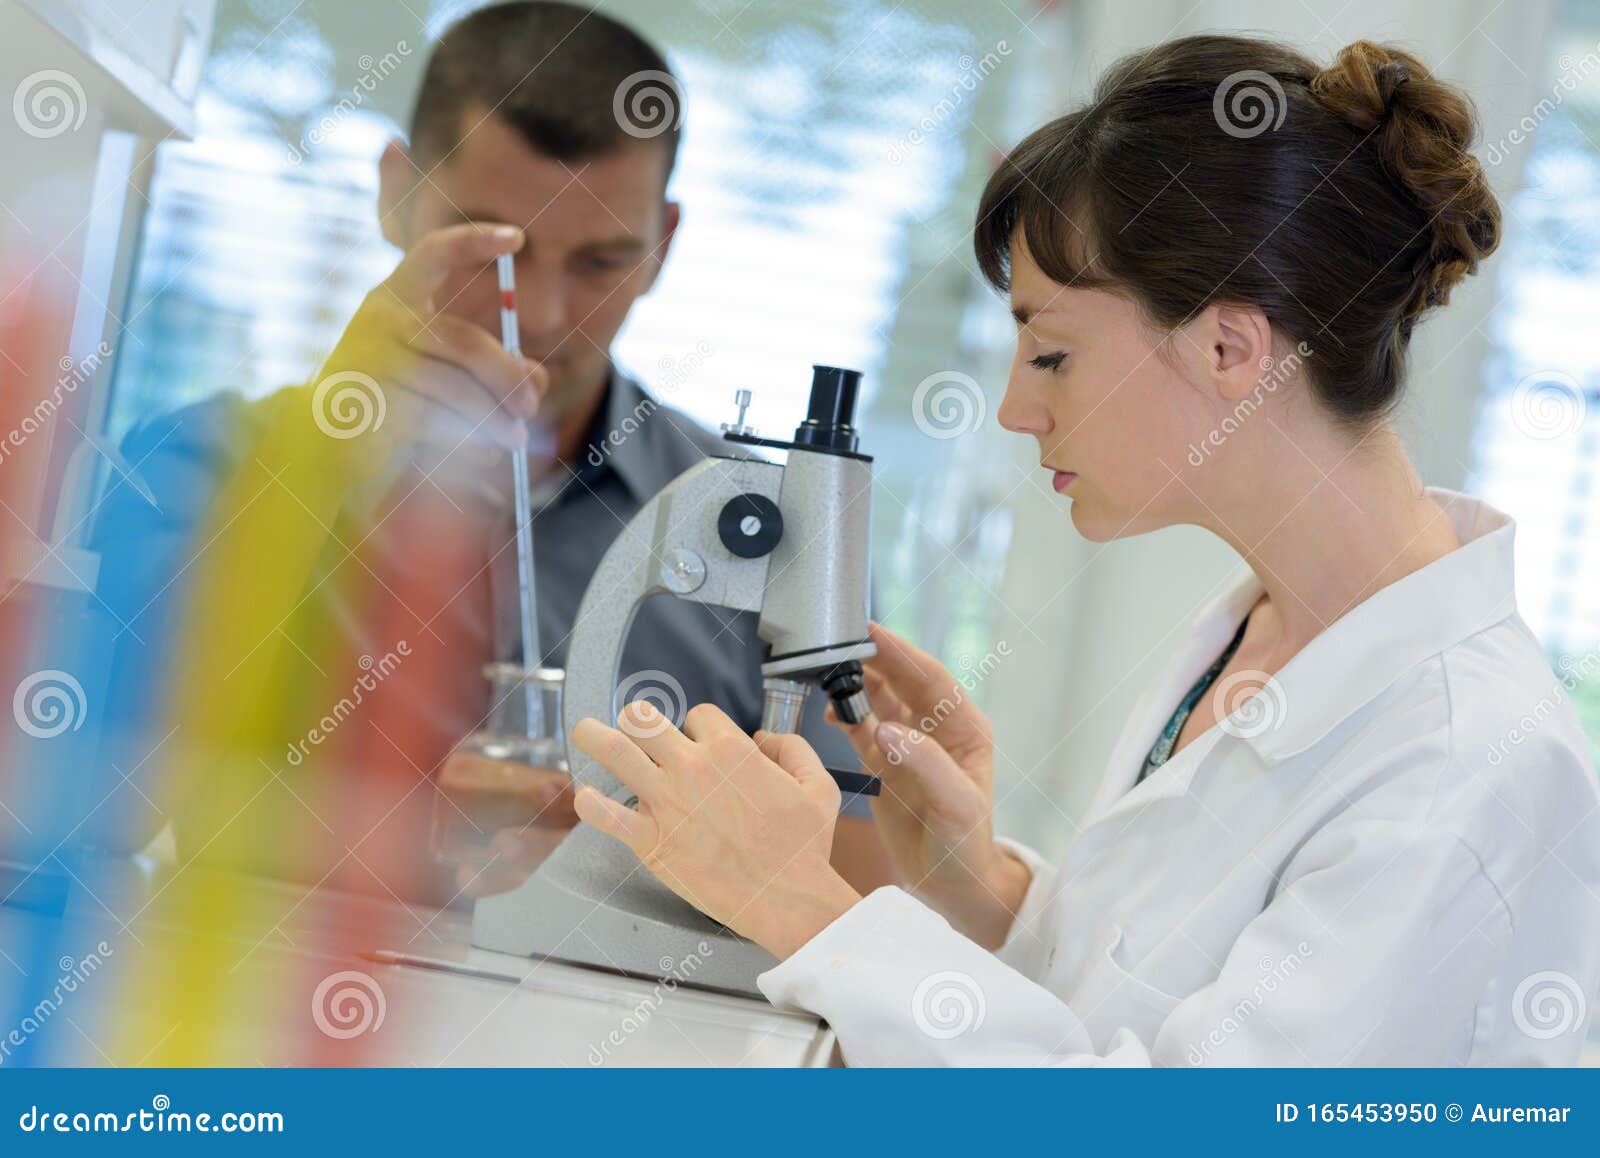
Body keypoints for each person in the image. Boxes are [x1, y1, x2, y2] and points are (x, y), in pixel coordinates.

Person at [568, 35, 1600, 1064]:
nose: (1018, 409)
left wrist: (795, 902)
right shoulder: (1262, 632)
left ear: (1229, 349)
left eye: (1052, 353)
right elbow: (1136, 1017)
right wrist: (987, 894)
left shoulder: (1465, 769)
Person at [89, 1, 889, 905]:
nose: (542, 318)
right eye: (495, 255)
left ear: (662, 247)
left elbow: (857, 890)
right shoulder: (197, 464)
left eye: (599, 262)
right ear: (397, 192)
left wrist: (629, 859)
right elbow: (67, 806)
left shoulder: (768, 533)